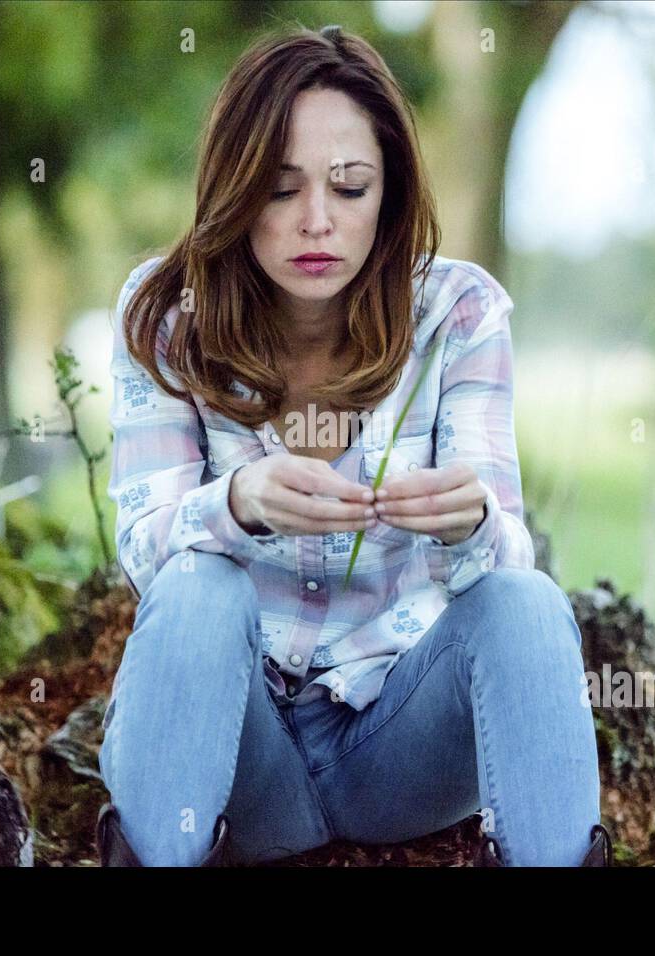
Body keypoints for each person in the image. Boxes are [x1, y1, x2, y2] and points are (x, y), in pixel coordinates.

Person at [97, 23, 606, 867]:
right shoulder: (165, 318)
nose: (317, 221)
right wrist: (237, 504)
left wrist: (472, 523)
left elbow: (505, 561)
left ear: (389, 193)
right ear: (234, 190)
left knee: (526, 603)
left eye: (350, 187)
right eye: (280, 189)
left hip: (398, 746)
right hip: (238, 754)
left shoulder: (457, 315)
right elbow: (146, 553)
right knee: (196, 587)